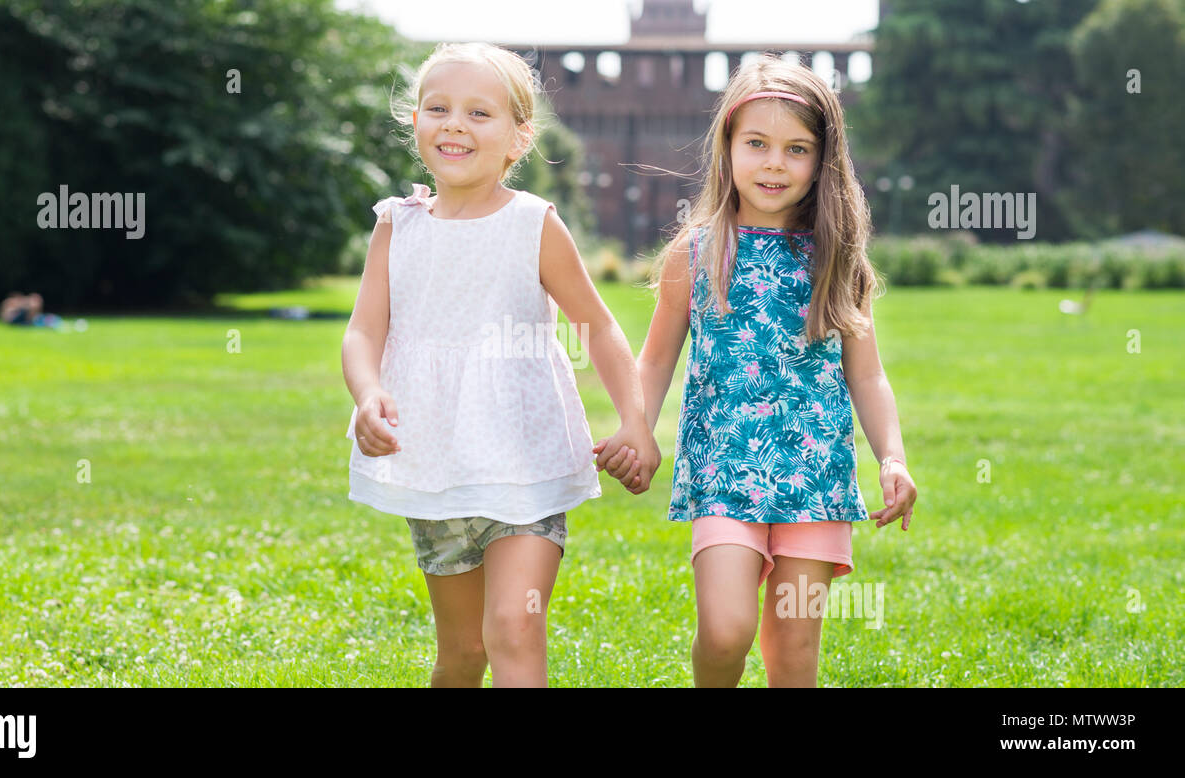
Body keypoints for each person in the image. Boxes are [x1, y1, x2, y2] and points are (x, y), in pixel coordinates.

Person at [341, 42, 660, 688]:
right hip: (436, 464)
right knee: (461, 655)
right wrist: (368, 391)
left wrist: (635, 420)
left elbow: (596, 326)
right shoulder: (395, 227)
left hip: (525, 465)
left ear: (519, 139)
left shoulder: (531, 224)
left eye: (478, 113)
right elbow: (363, 330)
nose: (454, 124)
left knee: (513, 629)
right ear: (415, 124)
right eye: (438, 108)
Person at [595, 57, 918, 687]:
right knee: (725, 629)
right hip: (723, 470)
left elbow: (868, 377)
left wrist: (893, 457)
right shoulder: (693, 254)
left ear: (823, 160)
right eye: (758, 144)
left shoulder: (837, 259)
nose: (774, 163)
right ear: (727, 147)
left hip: (814, 480)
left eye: (796, 149)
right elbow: (657, 356)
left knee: (795, 653)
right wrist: (637, 426)